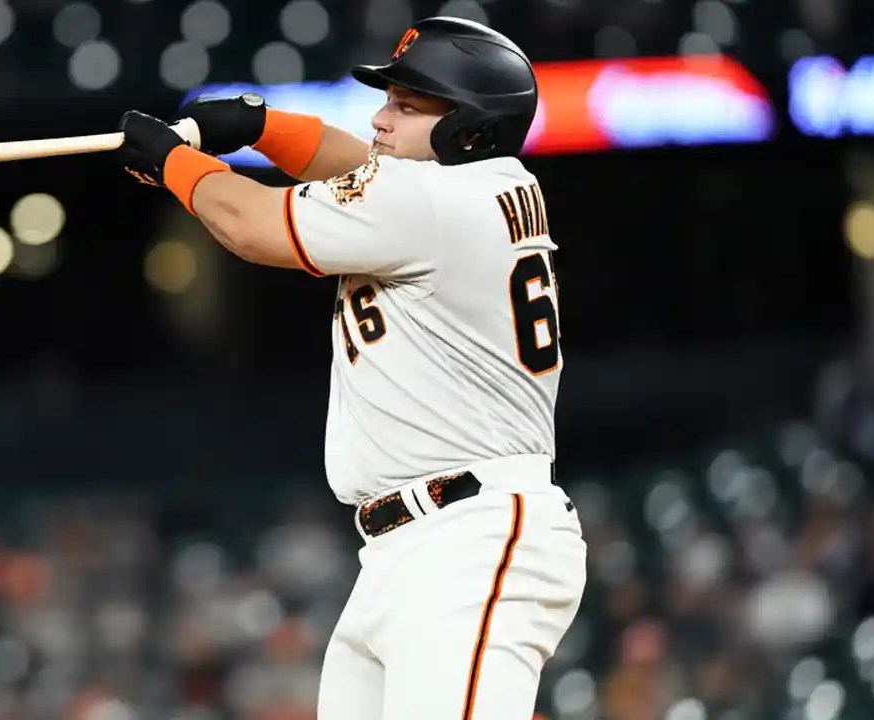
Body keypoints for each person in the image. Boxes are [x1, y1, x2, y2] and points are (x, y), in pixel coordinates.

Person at [117, 17, 586, 720]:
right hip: (418, 543)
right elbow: (358, 170)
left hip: (470, 538)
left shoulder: (429, 201)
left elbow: (249, 223)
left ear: (469, 128)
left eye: (408, 105)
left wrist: (171, 165)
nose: (380, 119)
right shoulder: (477, 185)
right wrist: (262, 127)